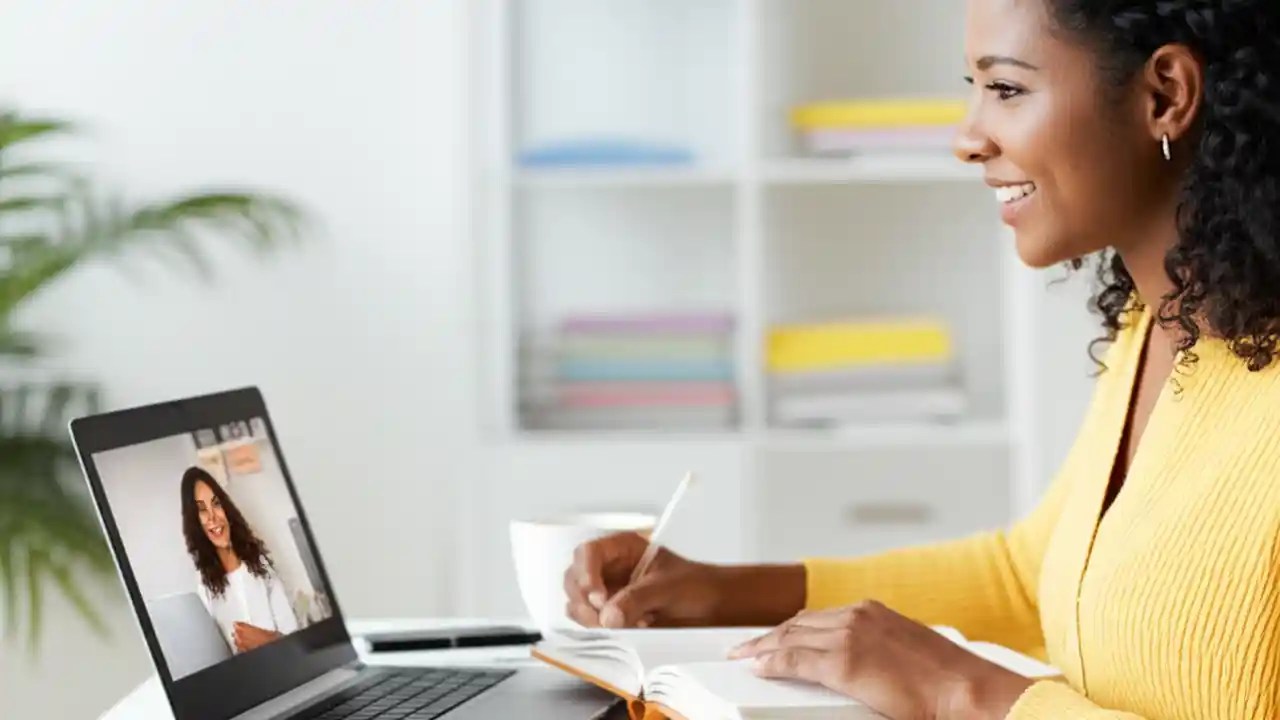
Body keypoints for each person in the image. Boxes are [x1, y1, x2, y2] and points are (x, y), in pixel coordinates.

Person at [564, 0, 1280, 717]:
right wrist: (719, 591)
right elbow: (1026, 578)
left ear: (1165, 95)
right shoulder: (1155, 325)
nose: (967, 139)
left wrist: (957, 690)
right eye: (976, 89)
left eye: (1006, 89)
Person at [180, 466, 298, 655]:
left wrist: (265, 640)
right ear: (195, 522)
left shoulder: (260, 564)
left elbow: (294, 640)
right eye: (202, 510)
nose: (213, 517)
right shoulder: (204, 585)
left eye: (216, 504)